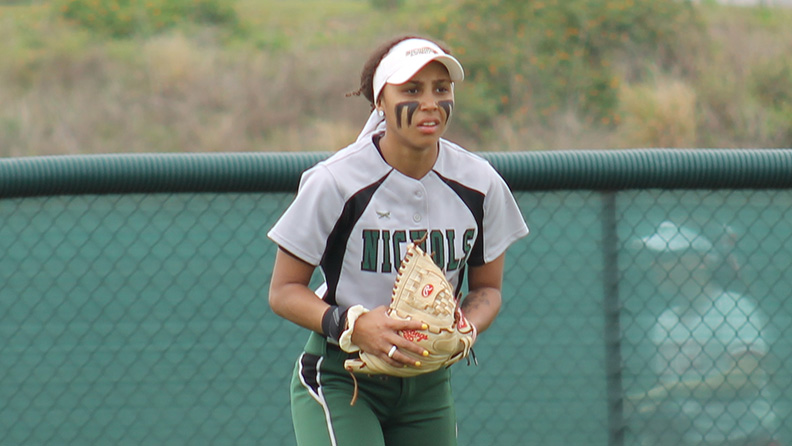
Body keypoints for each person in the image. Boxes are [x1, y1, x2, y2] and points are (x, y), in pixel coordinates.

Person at [267, 35, 529, 446]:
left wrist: (466, 328)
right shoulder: (335, 181)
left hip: (427, 382)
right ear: (380, 102)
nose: (429, 102)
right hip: (343, 375)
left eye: (441, 89)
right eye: (411, 90)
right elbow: (283, 291)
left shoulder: (480, 184)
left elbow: (488, 289)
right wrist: (354, 324)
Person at [627, 221, 778, 446]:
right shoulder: (664, 323)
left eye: (667, 258)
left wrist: (669, 391)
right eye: (656, 259)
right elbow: (673, 397)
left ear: (700, 261)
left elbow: (745, 379)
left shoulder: (734, 308)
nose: (657, 265)